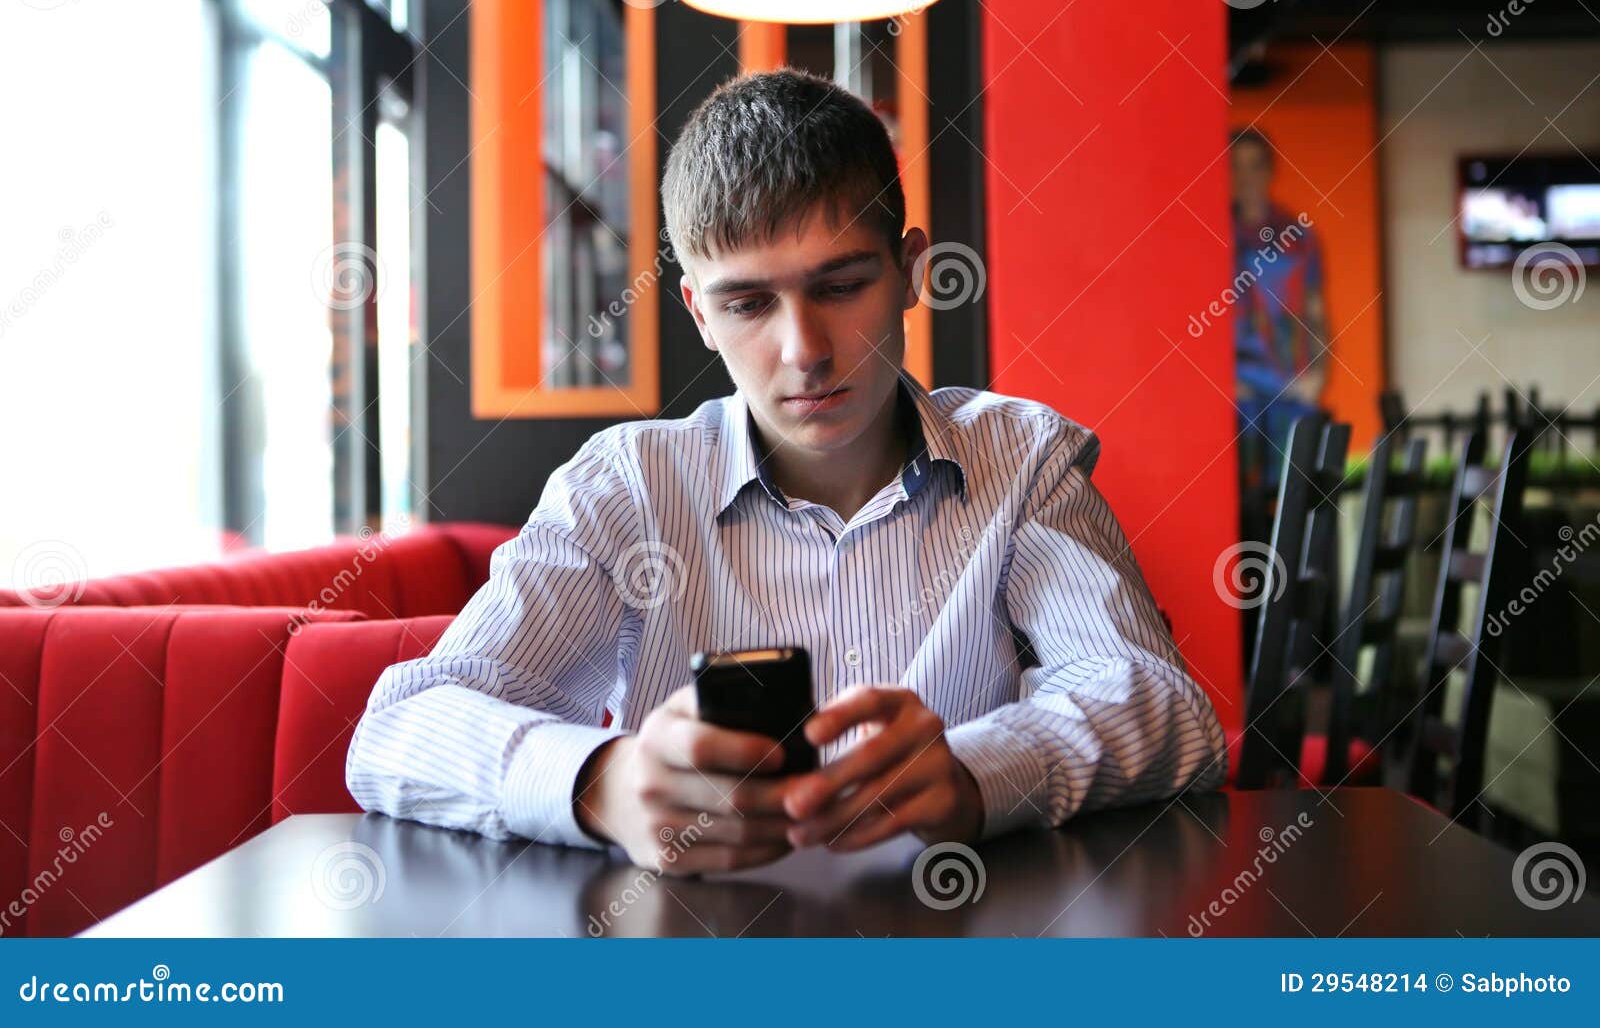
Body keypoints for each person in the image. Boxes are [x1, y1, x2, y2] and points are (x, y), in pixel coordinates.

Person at [346, 68, 1227, 876]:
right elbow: (398, 728)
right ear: (697, 310)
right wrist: (601, 781)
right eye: (748, 303)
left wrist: (974, 771)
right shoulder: (626, 486)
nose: (804, 351)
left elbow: (1162, 704)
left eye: (842, 286)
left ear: (912, 270)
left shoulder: (1022, 459)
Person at [1228, 126, 1329, 496]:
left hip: (1292, 384)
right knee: (1240, 502)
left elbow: (1316, 310)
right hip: (1235, 392)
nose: (1245, 176)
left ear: (1269, 171)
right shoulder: (1211, 234)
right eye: (1235, 166)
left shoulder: (1297, 237)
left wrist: (1319, 373)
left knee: (1295, 496)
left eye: (1254, 166)